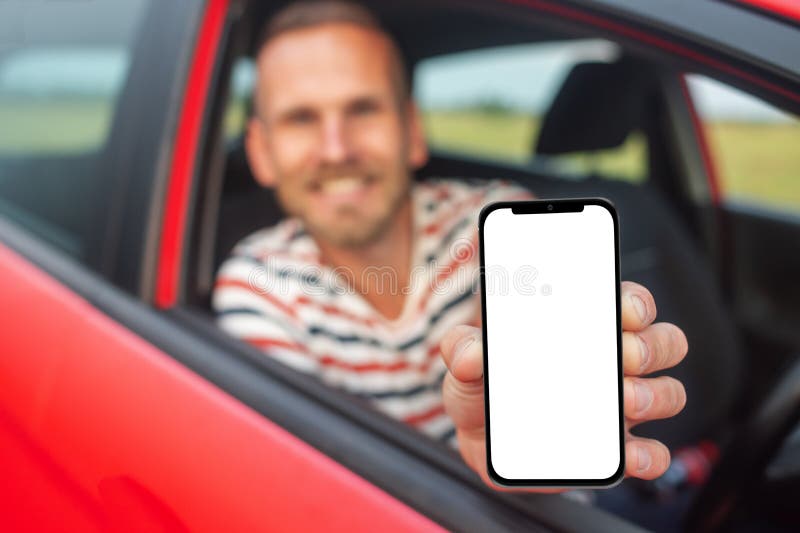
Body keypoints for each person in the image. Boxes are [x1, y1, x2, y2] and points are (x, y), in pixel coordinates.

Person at [213, 0, 688, 487]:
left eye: (363, 109)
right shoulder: (257, 285)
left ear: (413, 131)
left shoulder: (496, 223)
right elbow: (312, 486)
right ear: (261, 153)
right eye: (301, 119)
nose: (336, 149)